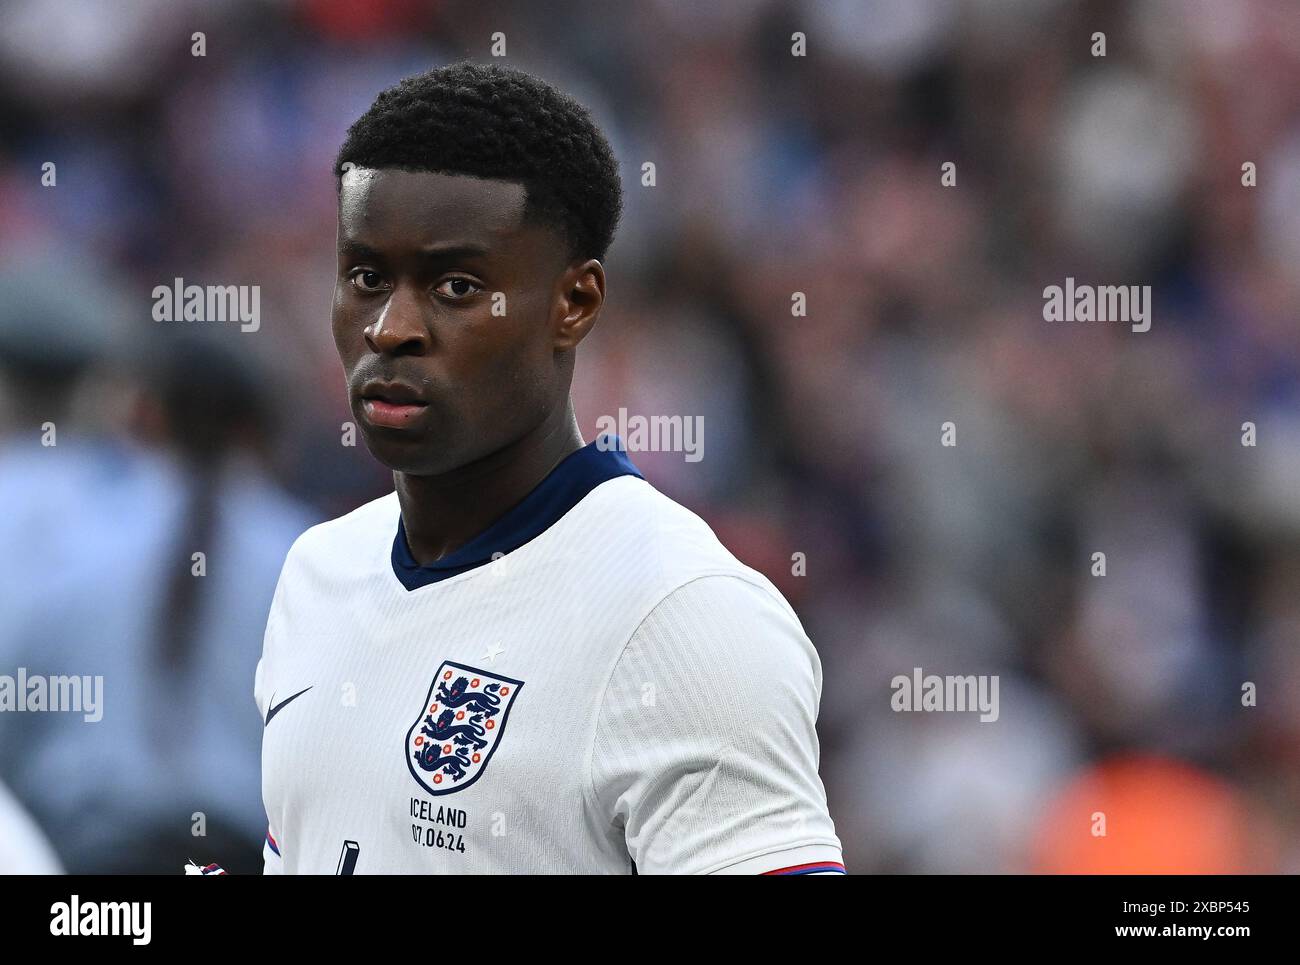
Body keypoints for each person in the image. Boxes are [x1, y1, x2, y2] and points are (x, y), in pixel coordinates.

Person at [256, 61, 843, 874]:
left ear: (575, 304)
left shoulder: (683, 614)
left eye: (456, 286)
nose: (390, 328)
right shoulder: (317, 572)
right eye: (366, 277)